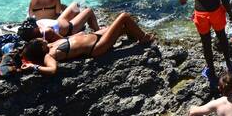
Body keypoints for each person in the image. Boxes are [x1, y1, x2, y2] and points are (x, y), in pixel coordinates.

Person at [19, 13, 151, 76]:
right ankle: (144, 39)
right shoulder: (49, 56)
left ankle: (132, 37)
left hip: (94, 36)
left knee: (123, 27)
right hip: (97, 46)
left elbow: (69, 39)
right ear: (40, 48)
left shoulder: (51, 44)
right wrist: (34, 67)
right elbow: (53, 70)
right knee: (124, 17)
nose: (42, 38)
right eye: (39, 41)